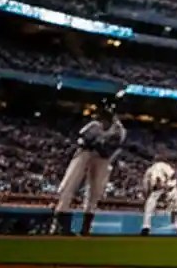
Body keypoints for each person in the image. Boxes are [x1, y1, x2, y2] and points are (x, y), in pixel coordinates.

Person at [52, 94, 127, 236]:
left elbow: (109, 148)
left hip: (103, 158)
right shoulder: (93, 125)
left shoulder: (119, 130)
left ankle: (85, 227)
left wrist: (96, 144)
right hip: (85, 153)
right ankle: (60, 224)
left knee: (95, 191)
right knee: (70, 183)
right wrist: (94, 144)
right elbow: (82, 141)